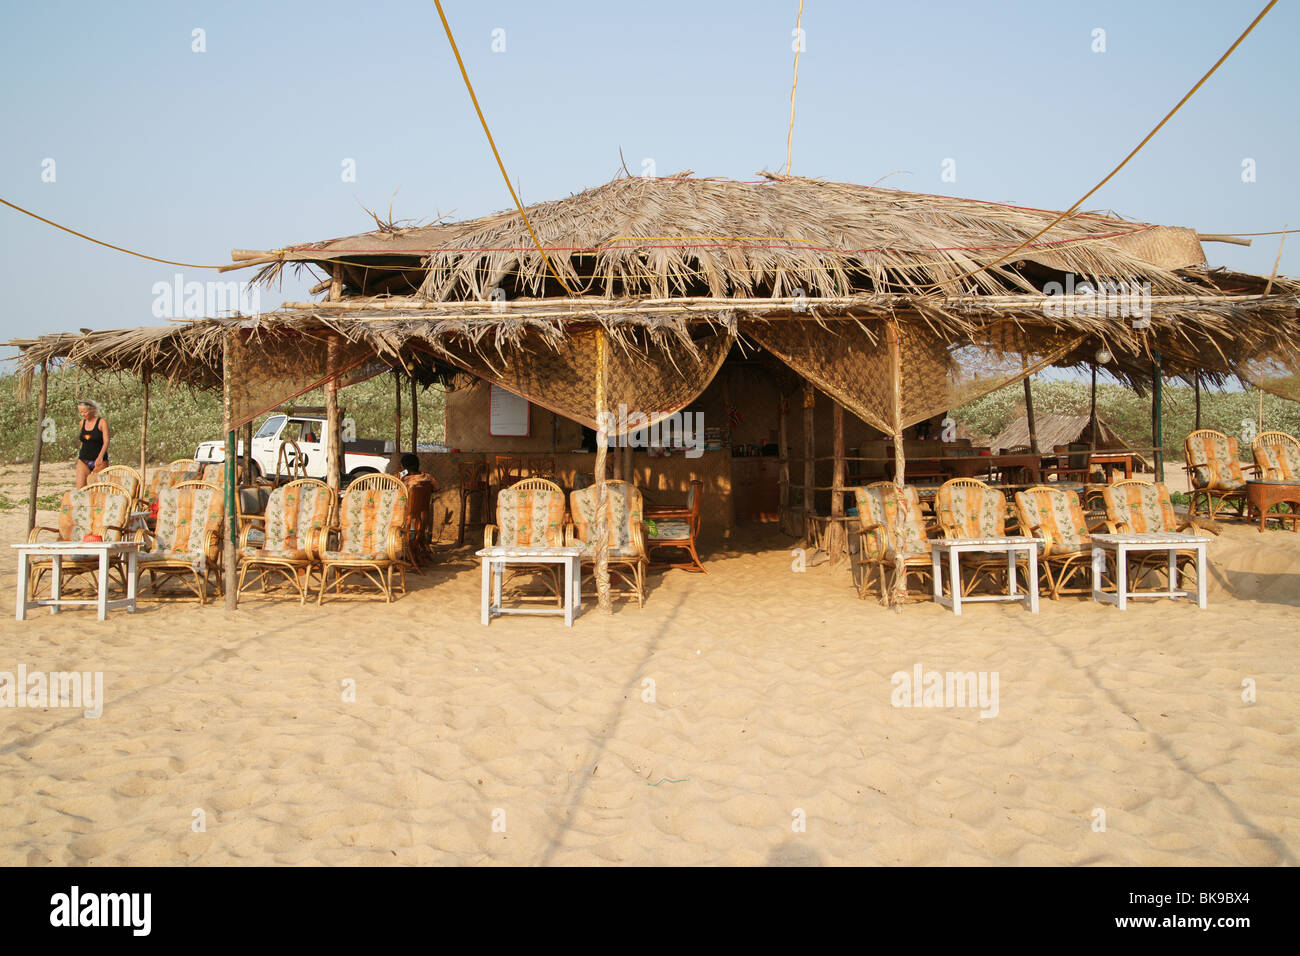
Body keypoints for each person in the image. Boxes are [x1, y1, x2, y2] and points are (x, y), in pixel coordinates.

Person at [75, 399, 110, 489]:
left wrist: (100, 456)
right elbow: (84, 441)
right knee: (80, 489)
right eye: (81, 412)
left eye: (85, 412)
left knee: (99, 489)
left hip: (99, 460)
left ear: (91, 410)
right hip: (84, 459)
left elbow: (106, 441)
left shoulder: (102, 422)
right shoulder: (82, 423)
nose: (83, 414)